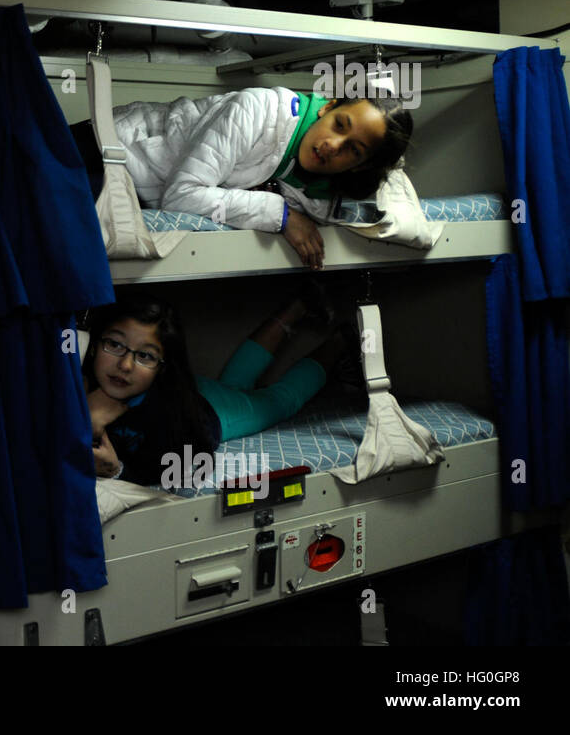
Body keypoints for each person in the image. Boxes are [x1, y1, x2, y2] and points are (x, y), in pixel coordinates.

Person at [78, 88, 414, 270]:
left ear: (358, 166)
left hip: (129, 183)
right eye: (340, 125)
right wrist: (280, 214)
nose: (332, 145)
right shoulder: (258, 110)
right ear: (327, 107)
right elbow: (180, 196)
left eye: (352, 150)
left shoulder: (319, 184)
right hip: (102, 150)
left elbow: (398, 210)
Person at [85, 290, 359, 486]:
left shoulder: (173, 421)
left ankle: (339, 342)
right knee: (235, 385)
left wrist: (117, 469)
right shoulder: (75, 383)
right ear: (95, 343)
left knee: (279, 401)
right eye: (115, 344)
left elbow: (176, 471)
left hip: (210, 410)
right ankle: (300, 304)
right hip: (190, 388)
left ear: (162, 365)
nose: (124, 366)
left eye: (145, 355)